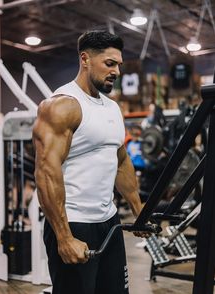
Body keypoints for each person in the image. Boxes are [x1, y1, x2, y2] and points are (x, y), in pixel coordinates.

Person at [32, 30, 146, 294]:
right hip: (74, 222)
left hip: (109, 221)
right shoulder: (62, 106)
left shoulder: (112, 108)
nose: (116, 71)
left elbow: (120, 161)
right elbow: (46, 173)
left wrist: (138, 208)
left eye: (119, 64)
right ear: (85, 59)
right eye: (109, 63)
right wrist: (64, 237)